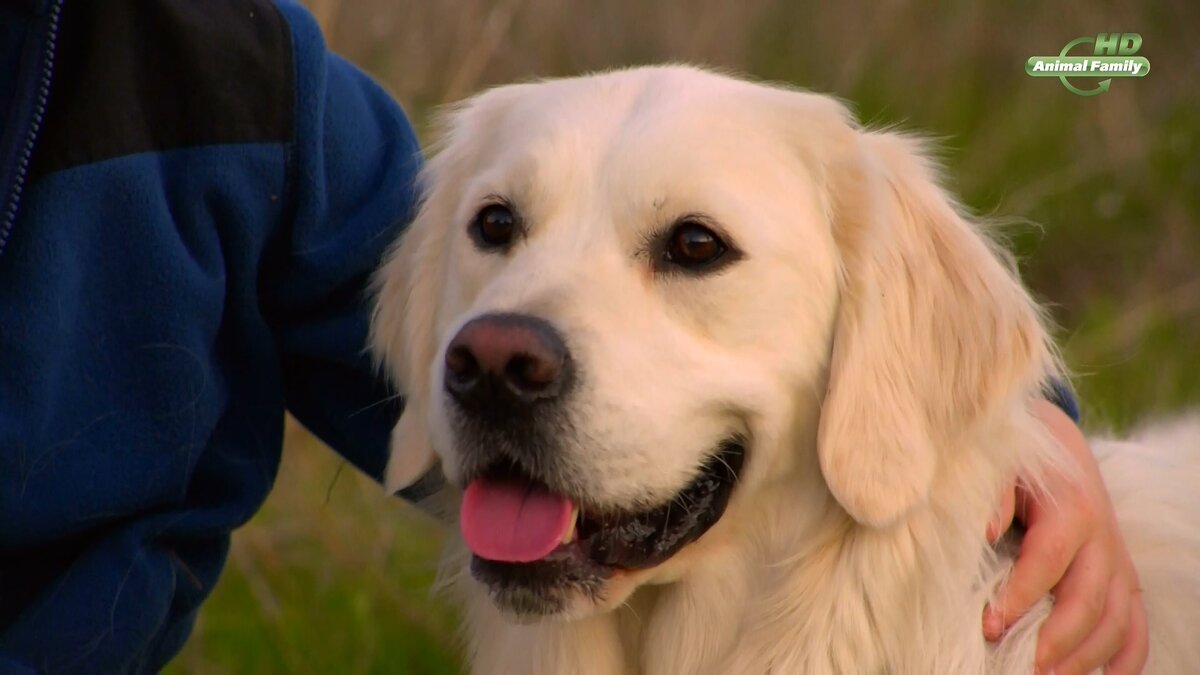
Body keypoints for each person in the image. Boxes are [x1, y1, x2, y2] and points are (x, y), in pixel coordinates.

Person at [0, 1, 1146, 673]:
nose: (504, 338)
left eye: (692, 248)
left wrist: (1026, 435)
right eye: (498, 229)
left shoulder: (212, 61)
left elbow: (926, 348)